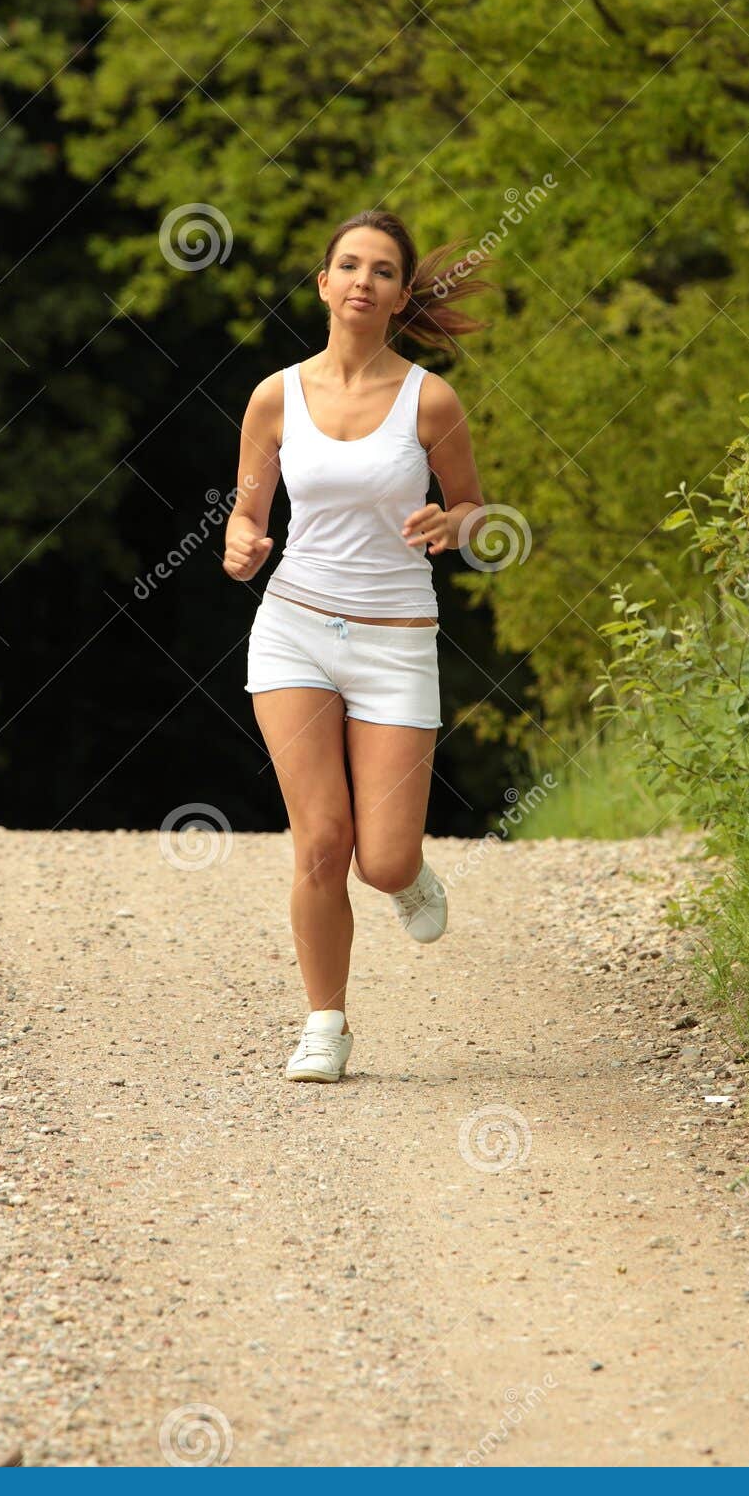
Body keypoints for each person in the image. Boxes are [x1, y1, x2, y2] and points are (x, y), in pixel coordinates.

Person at [224, 208, 494, 1083]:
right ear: (324, 284)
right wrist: (240, 542)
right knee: (320, 841)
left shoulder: (430, 399)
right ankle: (324, 1025)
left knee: (379, 859)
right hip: (294, 629)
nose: (363, 280)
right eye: (349, 264)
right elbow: (247, 510)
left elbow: (477, 511)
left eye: (382, 270)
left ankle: (409, 874)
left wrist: (452, 524)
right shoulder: (275, 396)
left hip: (395, 641)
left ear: (399, 295)